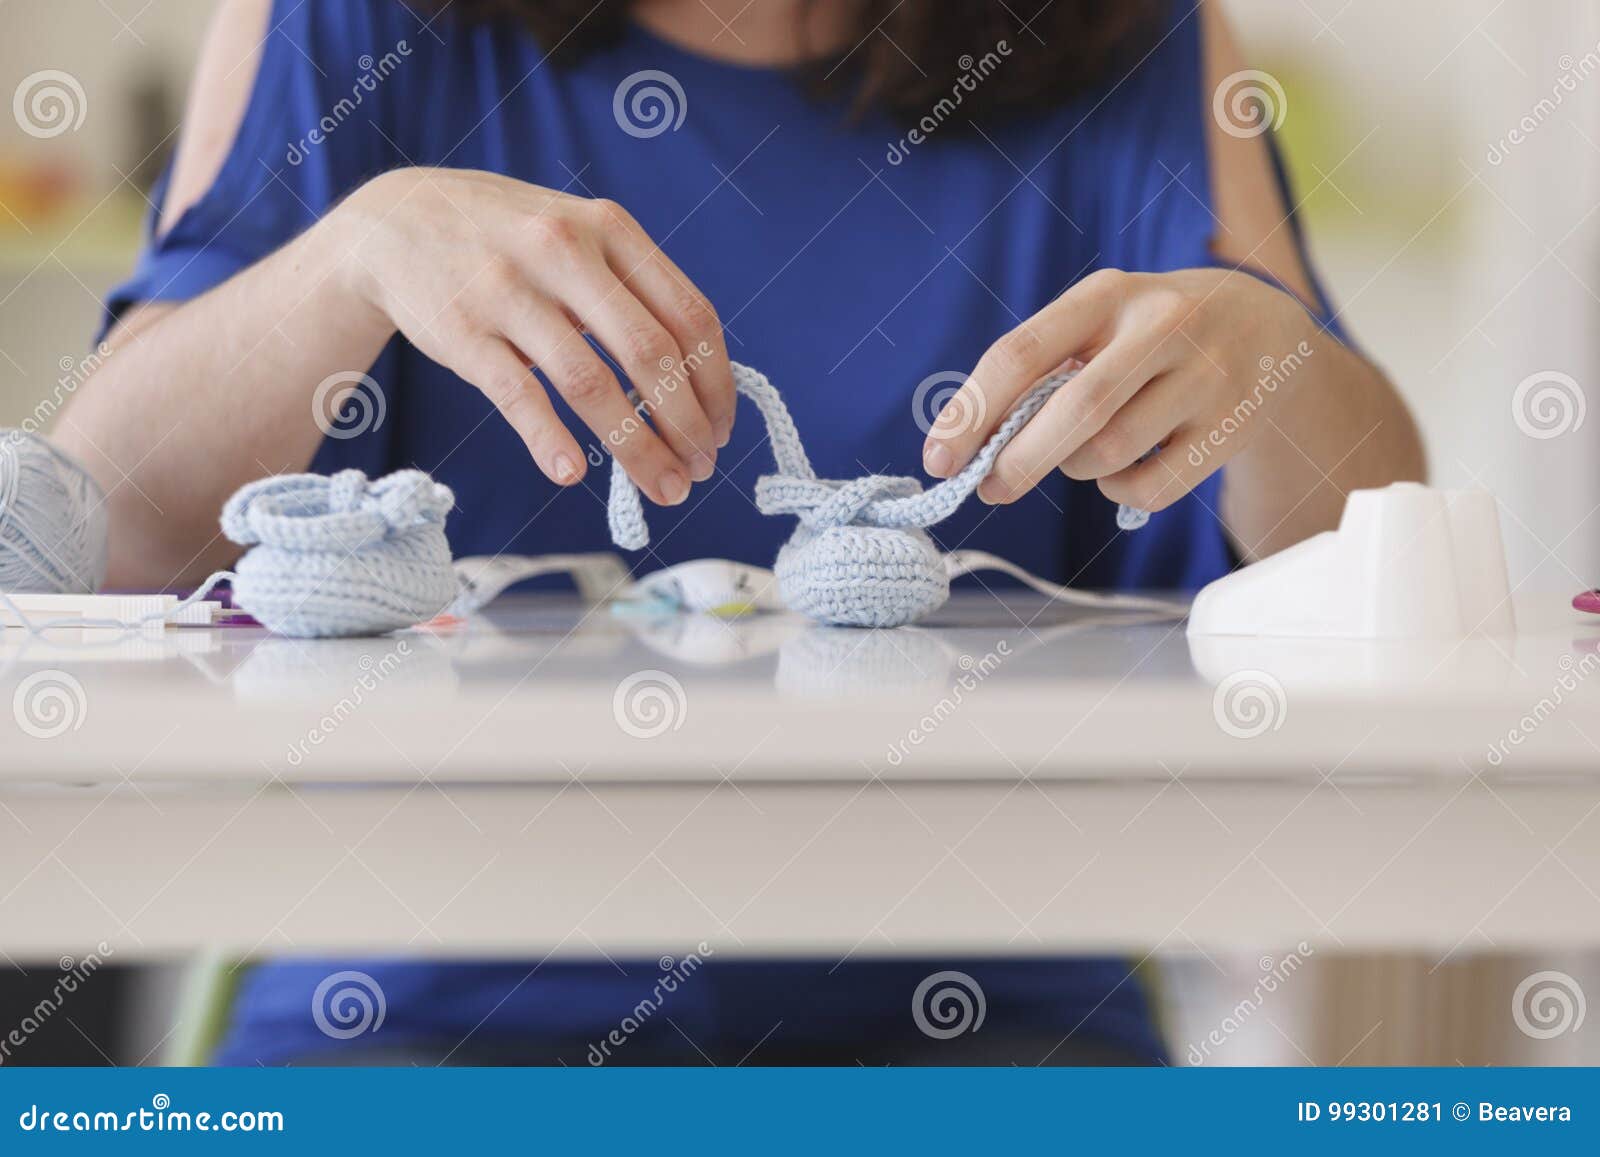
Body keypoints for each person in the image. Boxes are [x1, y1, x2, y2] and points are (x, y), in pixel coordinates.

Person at [58, 0, 1424, 1065]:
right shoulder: (355, 25)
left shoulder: (1126, 38)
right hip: (418, 1002)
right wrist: (350, 256)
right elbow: (96, 519)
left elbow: (1380, 544)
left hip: (995, 1006)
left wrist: (1275, 364)